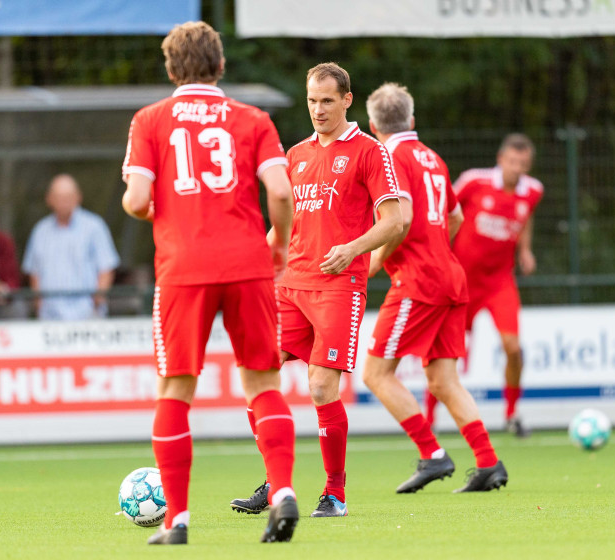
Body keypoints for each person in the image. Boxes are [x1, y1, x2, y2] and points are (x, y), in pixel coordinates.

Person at [121, 21, 298, 545]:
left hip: (184, 268)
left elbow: (134, 200)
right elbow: (282, 193)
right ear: (221, 66)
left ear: (172, 69)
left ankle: (176, 522)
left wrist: (162, 210)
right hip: (247, 264)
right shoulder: (253, 119)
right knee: (263, 383)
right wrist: (281, 244)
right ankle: (283, 491)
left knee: (175, 389)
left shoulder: (151, 120)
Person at [230, 62, 403, 518]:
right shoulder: (296, 153)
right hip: (290, 285)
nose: (318, 109)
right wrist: (251, 270)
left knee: (321, 388)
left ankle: (335, 493)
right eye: (311, 100)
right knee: (256, 374)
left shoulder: (368, 151)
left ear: (347, 100)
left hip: (337, 287)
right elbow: (281, 230)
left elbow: (395, 220)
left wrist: (352, 250)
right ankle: (276, 483)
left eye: (327, 100)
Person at [361, 83, 508, 494]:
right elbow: (456, 217)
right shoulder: (433, 157)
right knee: (443, 380)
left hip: (418, 281)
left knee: (376, 373)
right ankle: (488, 463)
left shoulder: (389, 154)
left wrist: (377, 259)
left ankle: (432, 455)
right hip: (451, 275)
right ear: (412, 120)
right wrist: (437, 246)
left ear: (373, 125)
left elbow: (401, 218)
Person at [429, 133, 543, 438]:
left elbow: (526, 218)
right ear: (500, 159)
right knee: (446, 354)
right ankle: (429, 418)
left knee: (514, 348)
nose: (517, 169)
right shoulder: (474, 182)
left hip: (500, 282)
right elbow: (443, 213)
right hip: (462, 281)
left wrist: (525, 250)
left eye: (524, 164)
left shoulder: (532, 191)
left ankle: (512, 414)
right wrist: (438, 254)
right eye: (512, 162)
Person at [22, 174, 120, 320]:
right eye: (59, 197)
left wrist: (96, 303)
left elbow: (106, 268)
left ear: (78, 197)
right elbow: (34, 272)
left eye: (68, 196)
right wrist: (39, 304)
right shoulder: (40, 230)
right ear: (49, 199)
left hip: (87, 316)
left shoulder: (94, 226)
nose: (63, 202)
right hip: (50, 318)